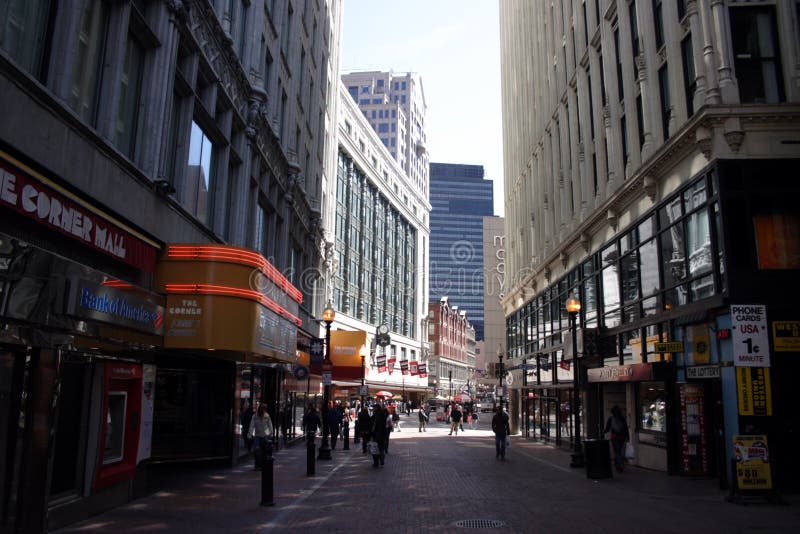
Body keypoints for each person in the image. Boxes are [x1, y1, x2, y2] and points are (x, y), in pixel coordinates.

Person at [603, 405, 630, 473]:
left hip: (614, 437)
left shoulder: (611, 418)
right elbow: (626, 429)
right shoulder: (622, 418)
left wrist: (603, 432)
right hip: (622, 437)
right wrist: (628, 437)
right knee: (620, 450)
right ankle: (618, 464)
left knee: (617, 451)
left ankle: (619, 464)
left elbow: (607, 428)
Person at [249, 404, 274, 469]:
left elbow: (269, 425)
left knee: (264, 451)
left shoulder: (267, 416)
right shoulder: (254, 416)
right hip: (257, 435)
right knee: (257, 450)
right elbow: (252, 426)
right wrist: (250, 434)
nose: (263, 411)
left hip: (265, 435)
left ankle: (262, 465)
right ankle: (257, 465)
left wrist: (270, 433)